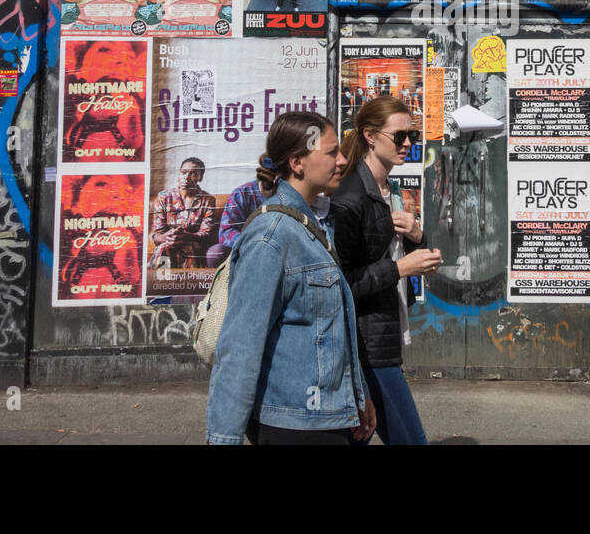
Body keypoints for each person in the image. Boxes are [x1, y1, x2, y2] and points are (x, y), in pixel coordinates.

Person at [206, 111, 374, 445]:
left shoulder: (311, 225)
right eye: (331, 153)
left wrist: (358, 394)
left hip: (326, 417)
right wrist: (223, 438)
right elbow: (240, 347)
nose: (342, 160)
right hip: (293, 425)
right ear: (297, 162)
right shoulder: (271, 237)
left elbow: (332, 328)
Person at [331, 95, 442, 445]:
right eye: (399, 136)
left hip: (382, 337)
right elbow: (341, 283)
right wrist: (400, 268)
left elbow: (393, 254)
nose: (408, 143)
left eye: (412, 134)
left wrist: (418, 237)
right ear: (369, 136)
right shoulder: (351, 198)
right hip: (366, 348)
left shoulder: (387, 189)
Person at [149, 157, 217, 268]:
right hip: (167, 243)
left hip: (192, 244)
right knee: (165, 248)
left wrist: (185, 236)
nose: (186, 177)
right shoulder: (164, 197)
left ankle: (187, 283)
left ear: (200, 177)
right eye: (183, 172)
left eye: (193, 174)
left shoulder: (208, 200)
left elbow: (205, 234)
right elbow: (157, 234)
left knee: (189, 250)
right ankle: (162, 280)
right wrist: (168, 237)